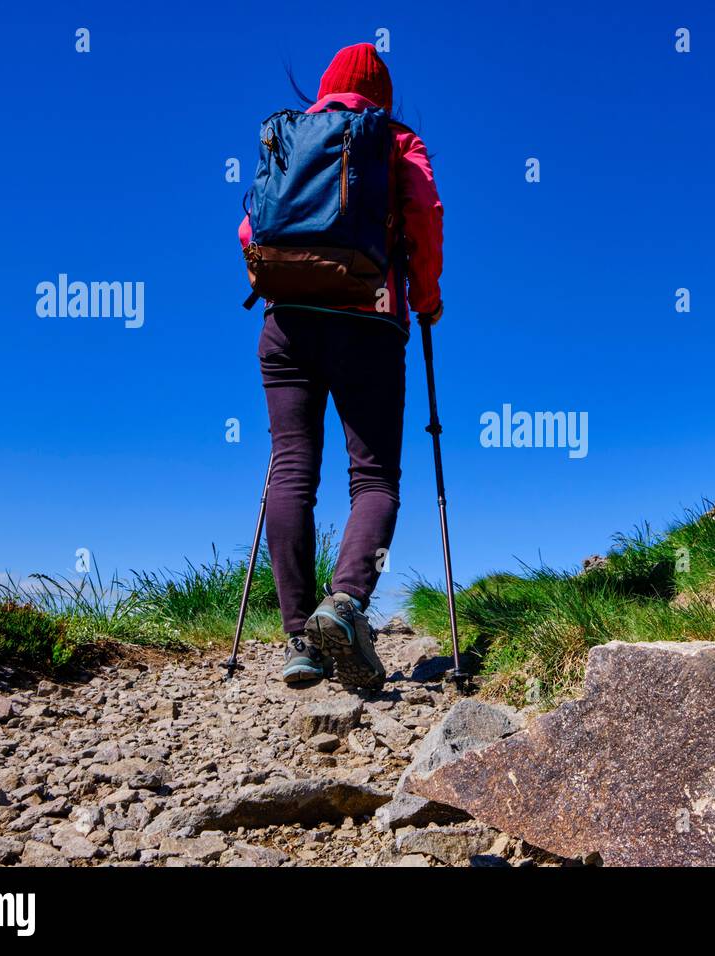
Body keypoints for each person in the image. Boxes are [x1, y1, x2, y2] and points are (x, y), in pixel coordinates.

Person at [238, 43, 444, 689]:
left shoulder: (290, 133)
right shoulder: (394, 138)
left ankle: (299, 637)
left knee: (292, 469)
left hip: (287, 318)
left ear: (324, 86)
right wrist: (429, 299)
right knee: (375, 476)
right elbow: (424, 217)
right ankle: (346, 602)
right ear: (382, 92)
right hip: (371, 319)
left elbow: (250, 232)